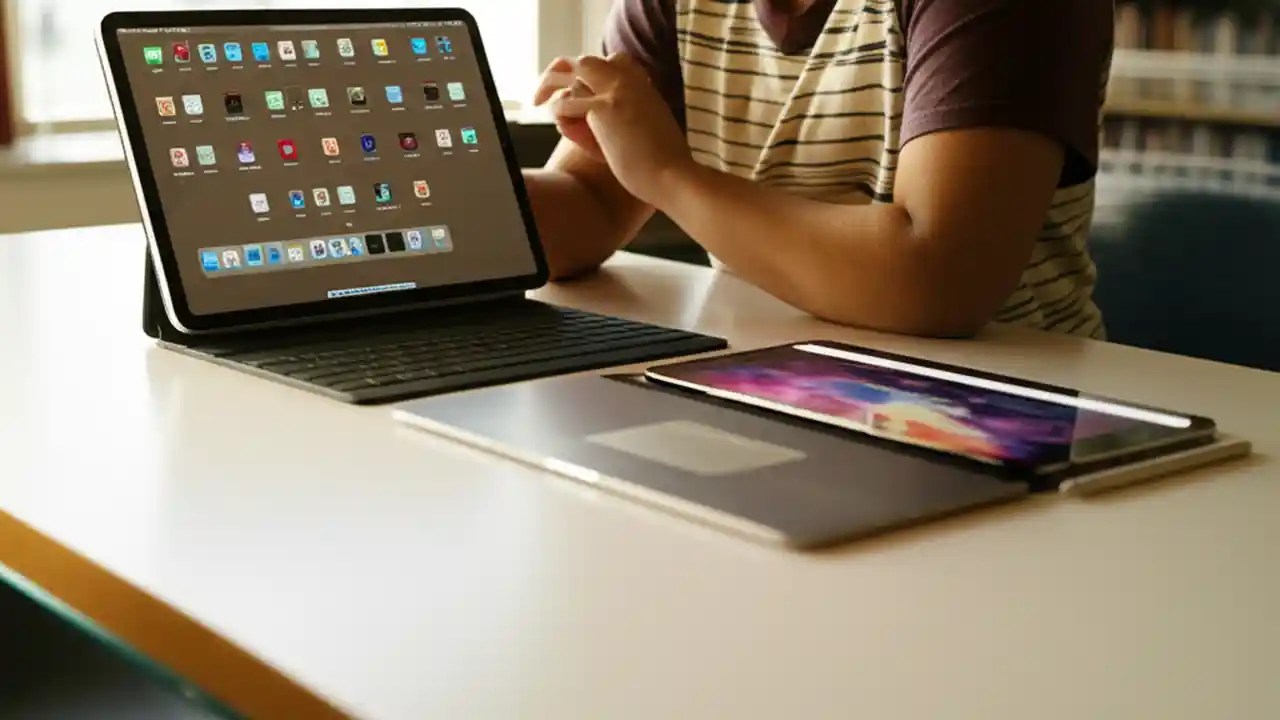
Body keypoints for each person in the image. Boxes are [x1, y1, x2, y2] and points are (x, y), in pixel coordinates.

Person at [522, 0, 1114, 339]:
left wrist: (668, 176)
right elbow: (592, 198)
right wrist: (441, 196)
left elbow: (937, 278)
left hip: (1004, 409)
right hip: (766, 380)